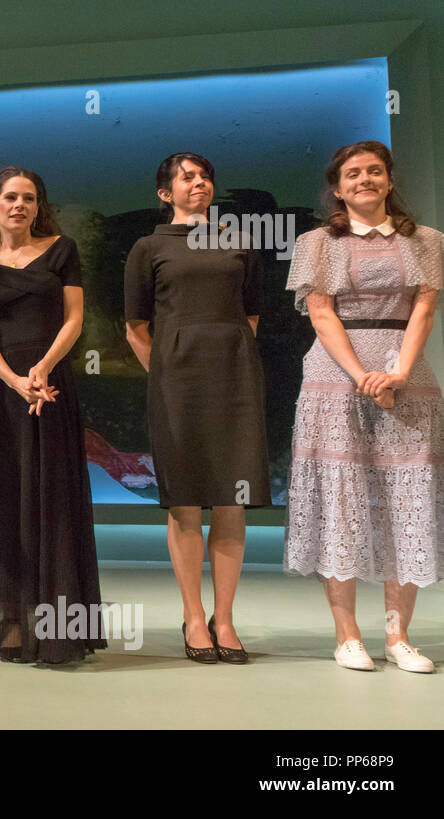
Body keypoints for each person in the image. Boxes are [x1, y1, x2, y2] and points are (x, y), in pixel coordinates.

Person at [284, 140, 442, 673]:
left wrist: (396, 372)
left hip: (406, 374)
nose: (364, 180)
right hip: (335, 376)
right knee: (341, 496)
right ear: (337, 187)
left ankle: (398, 637)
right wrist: (362, 377)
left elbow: (424, 310)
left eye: (375, 171)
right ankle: (347, 635)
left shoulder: (427, 241)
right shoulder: (316, 243)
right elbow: (322, 314)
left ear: (390, 181)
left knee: (408, 496)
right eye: (353, 174)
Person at [124, 152, 269, 664]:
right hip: (175, 384)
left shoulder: (239, 242)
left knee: (231, 498)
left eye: (205, 176)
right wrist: (166, 372)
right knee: (185, 500)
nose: (199, 183)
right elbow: (135, 327)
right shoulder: (148, 247)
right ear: (166, 194)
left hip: (234, 378)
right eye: (186, 178)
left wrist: (227, 359)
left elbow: (250, 314)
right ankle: (192, 615)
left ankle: (224, 618)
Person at [0, 166, 105, 664]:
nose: (20, 204)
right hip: (3, 394)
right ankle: (14, 620)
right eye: (10, 197)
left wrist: (43, 369)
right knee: (6, 502)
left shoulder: (62, 250)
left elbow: (74, 319)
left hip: (52, 388)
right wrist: (15, 380)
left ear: (38, 207)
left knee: (54, 501)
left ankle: (61, 626)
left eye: (29, 198)